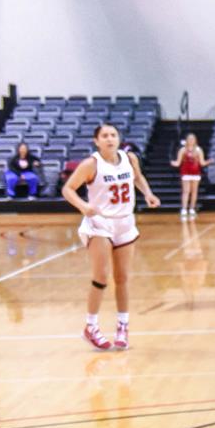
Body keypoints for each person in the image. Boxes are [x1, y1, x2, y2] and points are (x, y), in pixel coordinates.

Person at [61, 123, 160, 350]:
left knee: (122, 278)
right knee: (101, 277)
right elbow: (68, 189)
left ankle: (122, 326)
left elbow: (138, 178)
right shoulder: (90, 164)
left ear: (118, 138)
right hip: (100, 224)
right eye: (104, 136)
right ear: (97, 141)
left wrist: (148, 194)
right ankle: (91, 325)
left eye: (113, 135)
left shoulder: (129, 158)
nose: (109, 139)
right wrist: (83, 206)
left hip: (125, 223)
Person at [171, 133, 211, 218]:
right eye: (189, 139)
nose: (191, 141)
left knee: (194, 192)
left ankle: (192, 208)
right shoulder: (182, 150)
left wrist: (209, 161)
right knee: (186, 191)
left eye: (193, 139)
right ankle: (184, 209)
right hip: (185, 173)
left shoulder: (198, 150)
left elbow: (202, 163)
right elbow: (178, 162)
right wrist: (172, 163)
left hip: (195, 173)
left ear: (195, 140)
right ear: (187, 140)